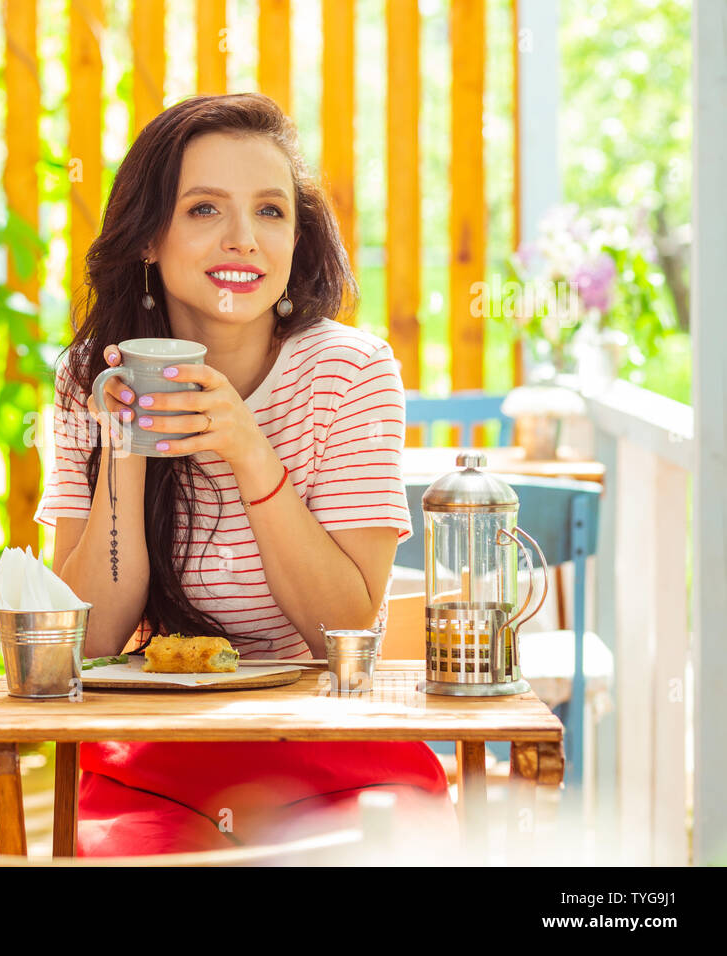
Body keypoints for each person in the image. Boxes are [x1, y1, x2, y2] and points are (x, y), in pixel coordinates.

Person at [33, 92, 456, 856]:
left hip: (339, 751)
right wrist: (123, 454)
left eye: (269, 212)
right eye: (203, 210)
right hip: (160, 755)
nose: (243, 240)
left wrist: (251, 453)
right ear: (147, 240)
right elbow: (89, 638)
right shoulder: (88, 378)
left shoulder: (352, 372)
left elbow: (346, 632)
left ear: (297, 237)